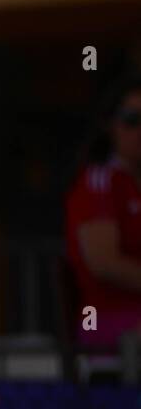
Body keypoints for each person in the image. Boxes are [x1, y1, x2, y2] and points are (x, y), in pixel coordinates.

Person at [65, 74, 141, 352]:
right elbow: (103, 262)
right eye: (132, 120)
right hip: (105, 319)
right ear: (111, 126)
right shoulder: (99, 181)